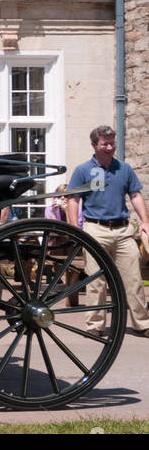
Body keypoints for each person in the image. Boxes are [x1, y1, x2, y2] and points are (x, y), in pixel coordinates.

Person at [66, 125, 149, 337]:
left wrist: (145, 221)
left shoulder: (124, 169)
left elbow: (136, 196)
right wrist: (75, 228)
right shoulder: (83, 170)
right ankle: (95, 326)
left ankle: (142, 324)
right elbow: (73, 200)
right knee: (96, 281)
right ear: (94, 145)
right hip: (95, 229)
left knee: (134, 280)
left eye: (112, 143)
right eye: (105, 144)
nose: (110, 147)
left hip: (122, 230)